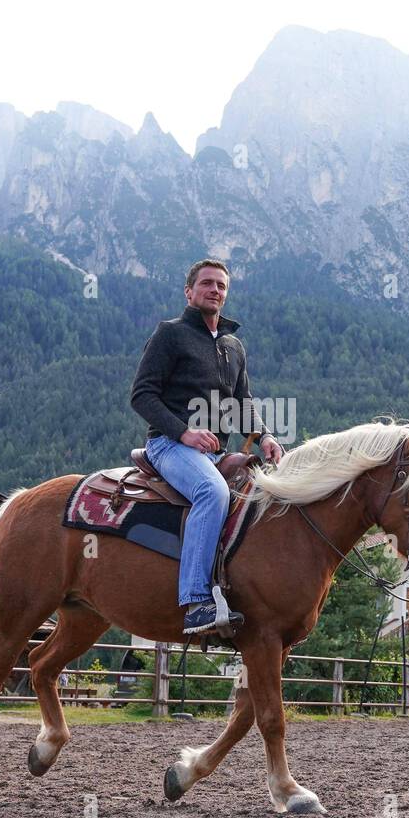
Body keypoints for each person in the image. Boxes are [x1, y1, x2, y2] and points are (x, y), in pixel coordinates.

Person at [130, 259, 283, 634]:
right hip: (168, 445)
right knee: (211, 492)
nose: (215, 290)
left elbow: (243, 404)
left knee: (264, 497)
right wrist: (184, 432)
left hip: (216, 453)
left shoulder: (233, 346)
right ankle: (197, 602)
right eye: (207, 284)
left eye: (221, 286)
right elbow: (142, 395)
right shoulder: (170, 334)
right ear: (189, 291)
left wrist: (264, 436)